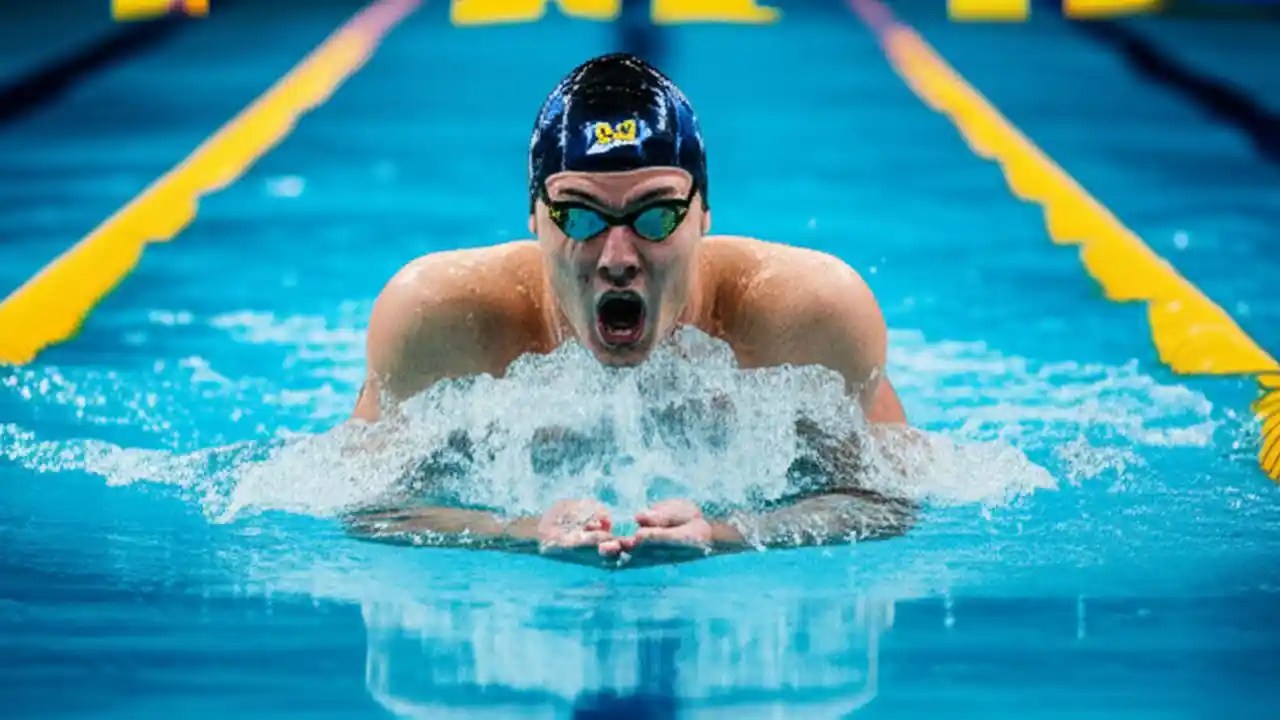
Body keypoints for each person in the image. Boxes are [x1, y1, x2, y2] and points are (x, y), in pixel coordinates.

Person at [346, 52, 914, 567]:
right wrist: (514, 531)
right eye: (580, 216)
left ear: (704, 215)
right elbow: (365, 505)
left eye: (657, 215)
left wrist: (729, 533)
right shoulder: (439, 319)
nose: (618, 258)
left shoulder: (807, 318)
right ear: (534, 217)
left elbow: (891, 504)